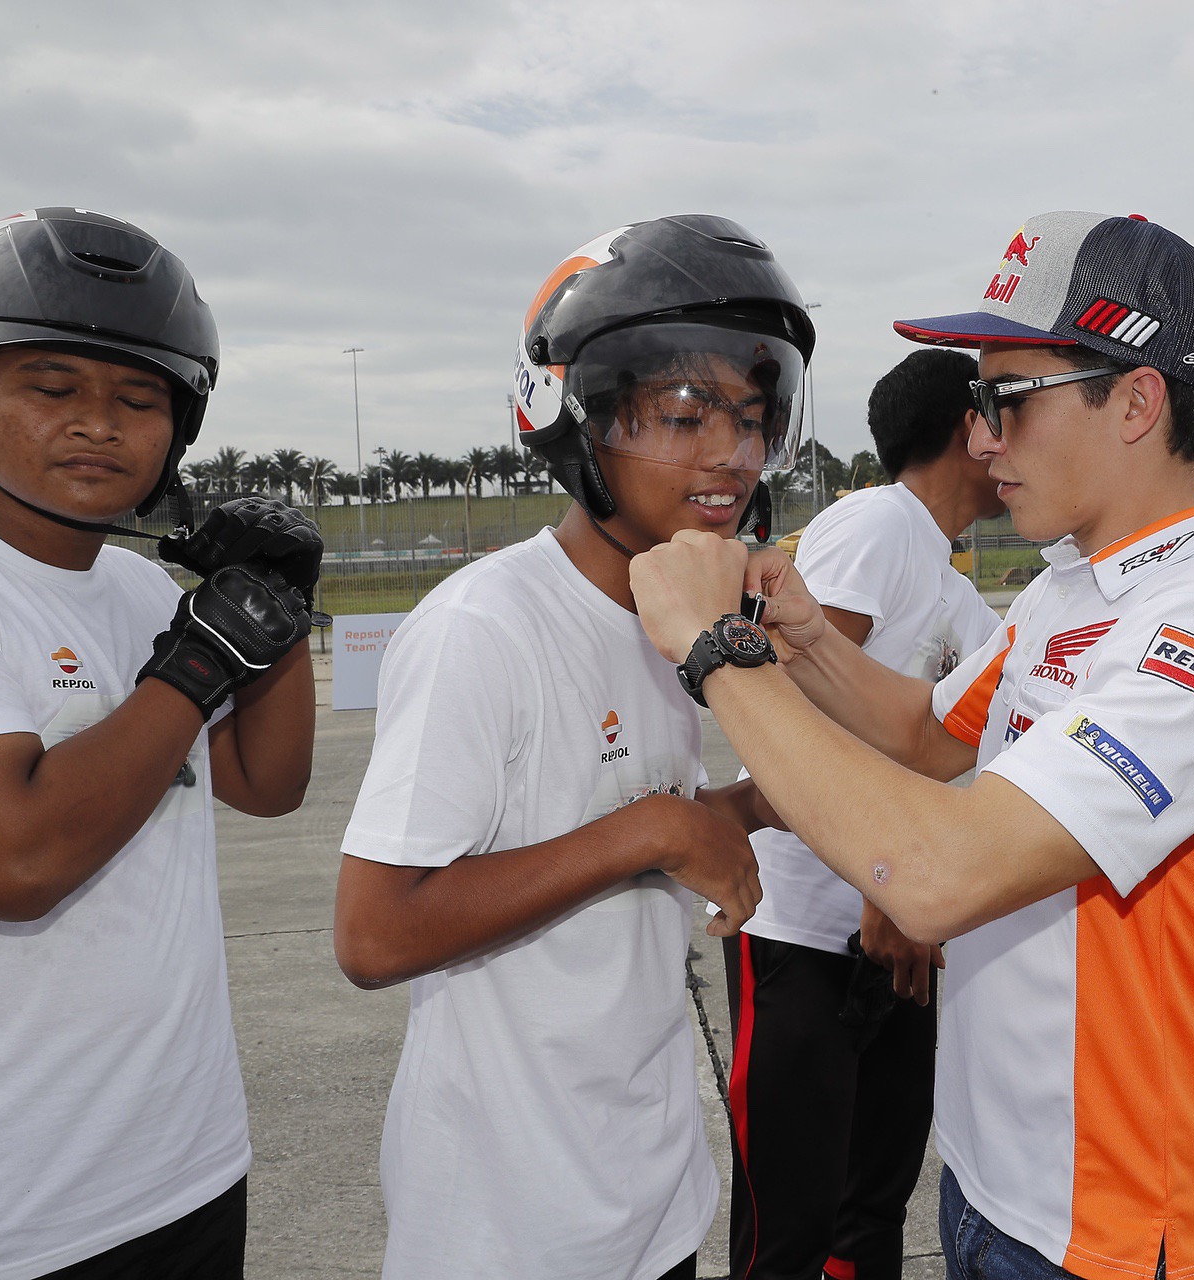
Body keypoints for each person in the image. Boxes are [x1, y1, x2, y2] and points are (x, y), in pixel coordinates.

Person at [629, 211, 1194, 1280]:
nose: (982, 436)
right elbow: (927, 735)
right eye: (977, 404)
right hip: (996, 1180)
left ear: (1136, 400)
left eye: (1006, 399)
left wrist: (718, 654)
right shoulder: (1066, 588)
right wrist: (804, 635)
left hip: (1111, 1227)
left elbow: (944, 874)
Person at [332, 214, 806, 1280]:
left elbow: (657, 827)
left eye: (752, 415)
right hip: (510, 1226)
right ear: (573, 421)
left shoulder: (670, 610)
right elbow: (374, 929)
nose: (730, 453)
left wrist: (760, 799)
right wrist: (652, 826)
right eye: (684, 415)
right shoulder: (483, 628)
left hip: (650, 1192)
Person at [0, 208, 320, 1278]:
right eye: (52, 388)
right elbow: (15, 859)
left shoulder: (145, 585)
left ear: (176, 430)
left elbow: (267, 782)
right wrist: (196, 666)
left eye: (139, 399)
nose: (97, 423)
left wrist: (277, 609)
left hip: (181, 1164)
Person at [724, 348, 1004, 1280]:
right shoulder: (881, 524)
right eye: (1003, 411)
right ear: (971, 428)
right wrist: (883, 879)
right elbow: (790, 698)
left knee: (871, 1210)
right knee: (790, 1231)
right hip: (806, 932)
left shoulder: (952, 580)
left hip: (894, 929)